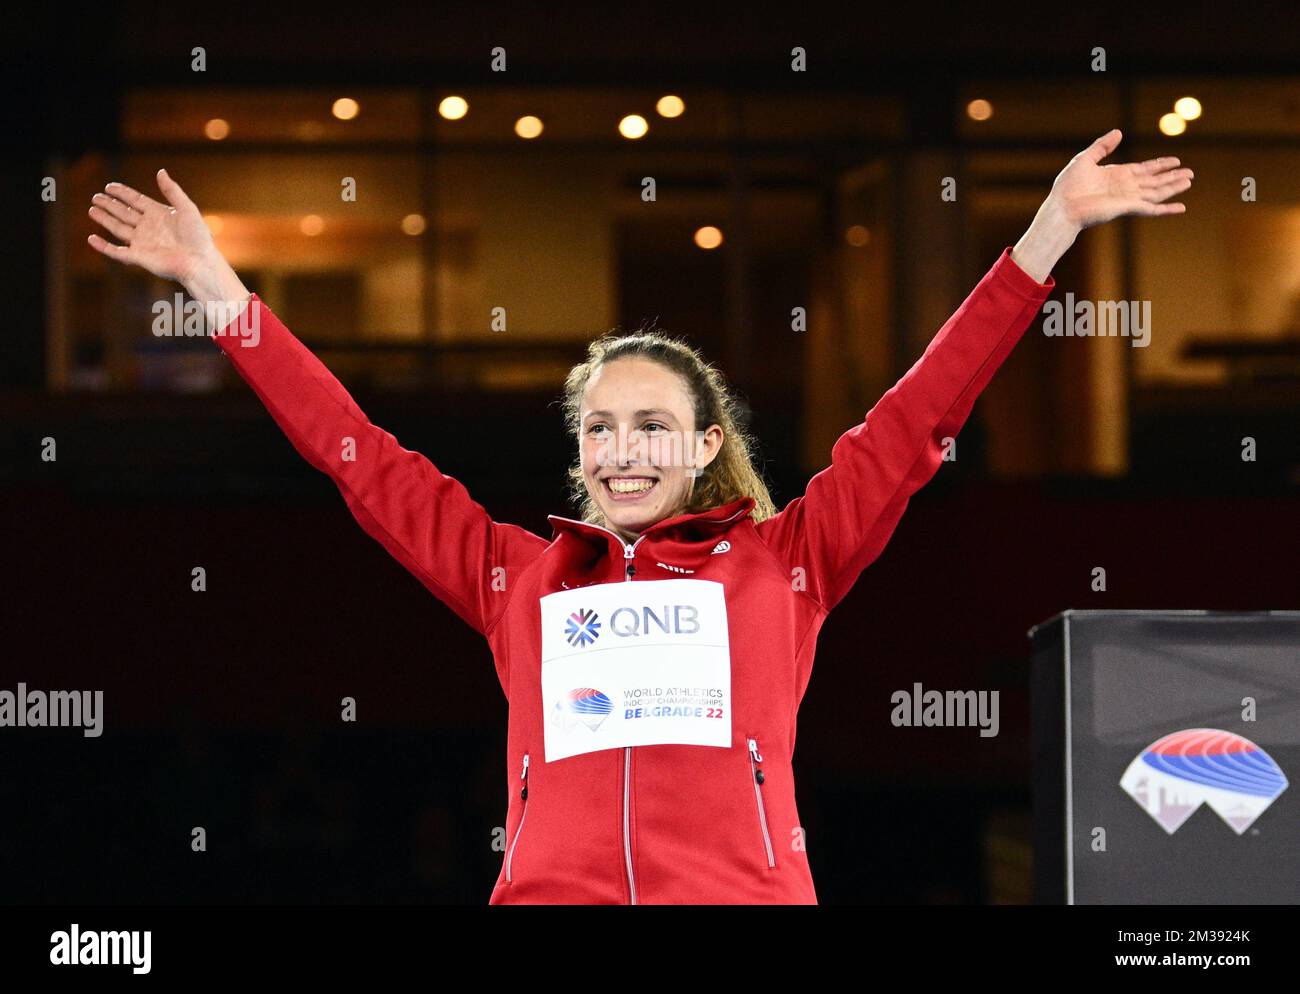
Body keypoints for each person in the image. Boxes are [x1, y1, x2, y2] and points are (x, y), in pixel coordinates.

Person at [87, 129, 1191, 904]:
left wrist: (1044, 233)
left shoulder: (788, 561)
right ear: (578, 450)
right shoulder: (517, 578)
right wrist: (221, 295)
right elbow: (360, 460)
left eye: (652, 426)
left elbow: (916, 417)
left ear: (705, 444)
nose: (624, 452)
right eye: (602, 429)